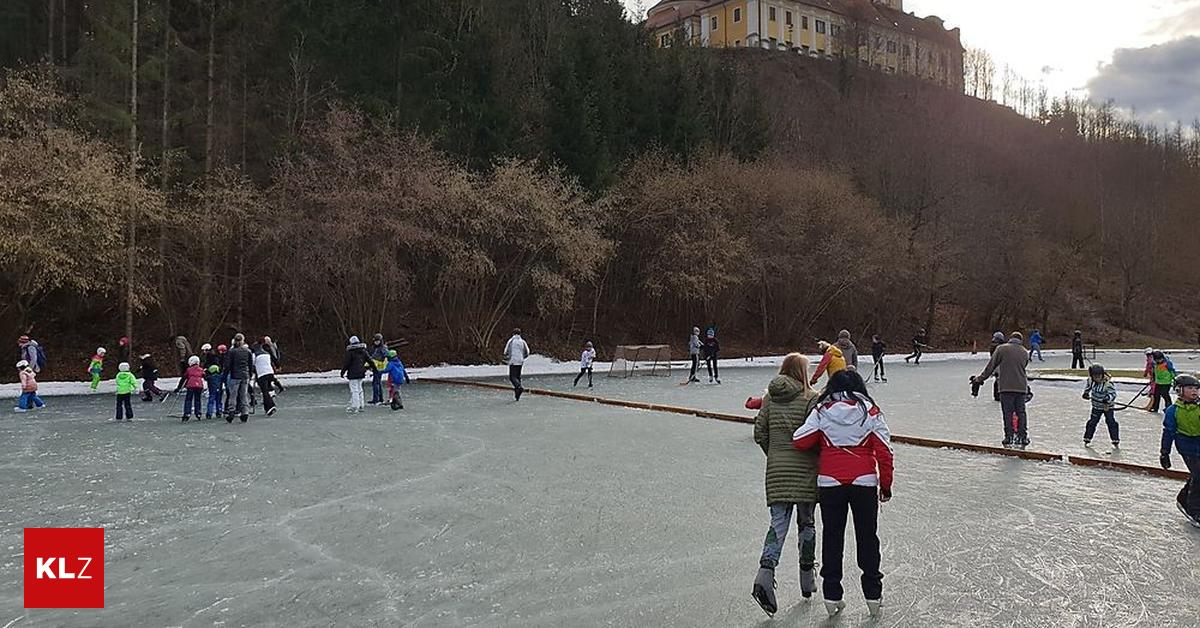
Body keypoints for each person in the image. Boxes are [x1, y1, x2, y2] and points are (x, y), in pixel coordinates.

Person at [792, 370, 893, 618]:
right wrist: (886, 486)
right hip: (864, 483)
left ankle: (832, 594)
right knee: (868, 537)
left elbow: (800, 439)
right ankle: (873, 593)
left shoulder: (821, 410)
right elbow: (885, 451)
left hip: (830, 483)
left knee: (833, 538)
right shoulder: (870, 410)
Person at [750, 353, 821, 616]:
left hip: (776, 470)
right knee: (807, 523)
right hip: (804, 470)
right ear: (802, 371)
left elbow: (759, 433)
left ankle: (765, 575)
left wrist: (776, 456)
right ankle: (807, 577)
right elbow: (815, 434)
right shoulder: (810, 397)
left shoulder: (769, 398)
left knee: (777, 525)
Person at [973, 332, 1031, 448]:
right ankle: (1022, 436)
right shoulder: (1025, 352)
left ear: (1010, 339)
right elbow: (1023, 367)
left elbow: (991, 367)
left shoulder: (1001, 349)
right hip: (1021, 387)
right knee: (1021, 412)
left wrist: (979, 379)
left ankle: (1009, 436)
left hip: (1006, 386)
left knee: (1008, 413)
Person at [1161, 374, 1200, 528]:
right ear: (1179, 390)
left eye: (1196, 388)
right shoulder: (1173, 411)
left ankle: (1183, 498)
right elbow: (1168, 432)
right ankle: (1194, 510)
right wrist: (1165, 452)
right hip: (1187, 448)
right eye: (1190, 388)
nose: (1195, 391)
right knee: (1199, 476)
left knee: (1198, 476)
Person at [1081, 364, 1119, 449]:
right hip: (1096, 406)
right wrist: (1086, 393)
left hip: (1107, 407)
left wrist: (1107, 399)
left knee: (1111, 422)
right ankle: (1087, 438)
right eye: (1095, 376)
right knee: (1092, 422)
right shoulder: (1091, 381)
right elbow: (1088, 388)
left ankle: (1115, 439)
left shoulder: (1108, 384)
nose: (1097, 378)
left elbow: (1113, 394)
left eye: (1099, 376)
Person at [225, 334, 254, 423]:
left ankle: (231, 412)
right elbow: (250, 364)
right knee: (243, 395)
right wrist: (250, 374)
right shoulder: (248, 351)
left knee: (233, 395)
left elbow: (228, 365)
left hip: (235, 375)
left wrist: (225, 374)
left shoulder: (232, 351)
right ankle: (245, 412)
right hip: (245, 375)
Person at [341, 335, 372, 413]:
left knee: (354, 390)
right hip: (361, 373)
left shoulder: (350, 352)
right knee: (360, 389)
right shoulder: (363, 351)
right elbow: (370, 360)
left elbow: (346, 363)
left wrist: (343, 371)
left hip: (353, 374)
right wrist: (374, 368)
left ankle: (355, 406)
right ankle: (361, 405)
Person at [253, 338, 281, 416]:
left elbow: (252, 364)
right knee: (268, 388)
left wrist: (253, 371)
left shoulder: (255, 355)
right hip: (270, 373)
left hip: (262, 374)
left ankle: (271, 405)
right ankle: (267, 408)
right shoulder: (266, 353)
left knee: (264, 391)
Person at [174, 356, 205, 422]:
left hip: (191, 386)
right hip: (199, 386)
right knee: (197, 399)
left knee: (188, 399)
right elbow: (204, 375)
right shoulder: (201, 369)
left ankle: (187, 413)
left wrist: (179, 387)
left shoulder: (189, 369)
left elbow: (184, 377)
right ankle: (198, 413)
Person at [504, 329, 530, 400]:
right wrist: (523, 357)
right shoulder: (523, 341)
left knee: (512, 377)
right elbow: (527, 352)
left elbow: (505, 351)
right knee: (518, 377)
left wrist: (507, 357)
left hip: (513, 361)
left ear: (513, 334)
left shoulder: (511, 341)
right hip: (520, 361)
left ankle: (519, 387)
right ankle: (517, 395)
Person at [368, 333, 389, 405]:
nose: (376, 342)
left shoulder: (382, 348)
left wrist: (383, 364)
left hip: (379, 368)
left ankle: (376, 399)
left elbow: (386, 356)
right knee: (378, 383)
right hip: (375, 367)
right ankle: (380, 398)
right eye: (375, 341)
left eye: (378, 341)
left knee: (375, 383)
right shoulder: (375, 348)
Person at [987, 331, 1005, 401]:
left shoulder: (994, 347)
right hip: (999, 367)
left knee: (998, 381)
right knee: (999, 381)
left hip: (997, 367)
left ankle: (997, 396)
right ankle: (998, 396)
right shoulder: (1000, 347)